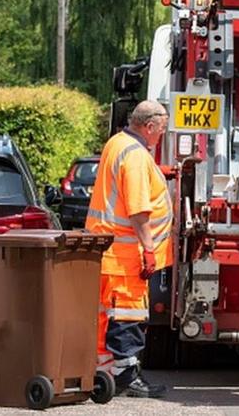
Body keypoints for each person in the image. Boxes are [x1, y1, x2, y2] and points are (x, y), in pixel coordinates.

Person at [86, 100, 175, 398]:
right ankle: (125, 377)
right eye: (161, 129)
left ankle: (104, 374)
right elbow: (138, 210)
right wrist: (149, 249)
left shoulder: (118, 143)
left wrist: (159, 172)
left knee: (106, 317)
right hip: (127, 256)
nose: (162, 135)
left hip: (109, 251)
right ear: (149, 126)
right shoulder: (136, 156)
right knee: (127, 316)